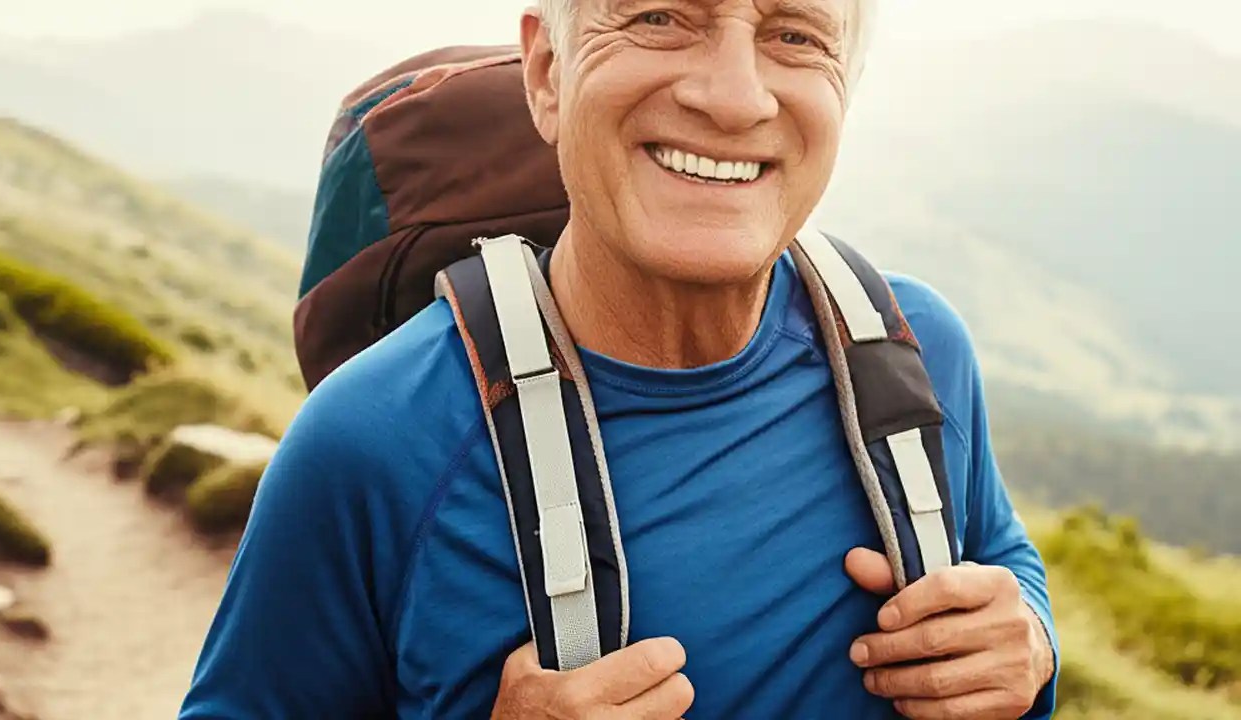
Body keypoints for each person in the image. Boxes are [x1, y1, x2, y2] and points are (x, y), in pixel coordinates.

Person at [179, 0, 1059, 717]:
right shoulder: (374, 440)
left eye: (795, 34)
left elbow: (999, 554)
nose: (735, 98)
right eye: (659, 18)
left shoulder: (913, 350)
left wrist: (1030, 642)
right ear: (547, 73)